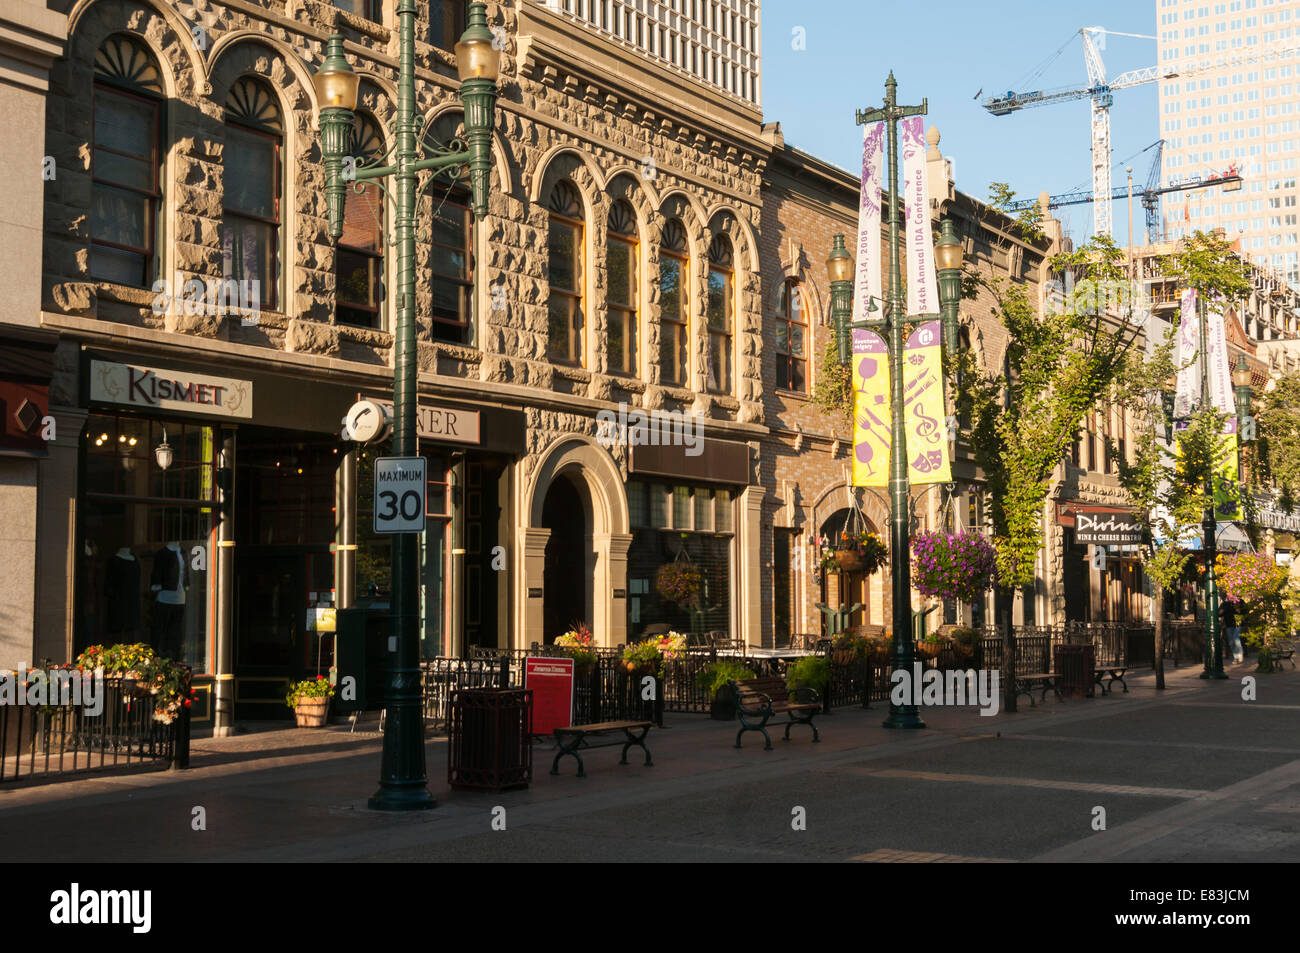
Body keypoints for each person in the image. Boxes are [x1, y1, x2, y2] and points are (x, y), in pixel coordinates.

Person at [1220, 598, 1244, 664]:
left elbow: (1243, 611)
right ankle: (1236, 658)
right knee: (1231, 642)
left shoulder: (1239, 601)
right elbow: (1220, 613)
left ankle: (1240, 654)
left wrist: (1239, 610)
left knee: (1236, 638)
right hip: (1228, 625)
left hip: (1238, 624)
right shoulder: (1224, 604)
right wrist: (1221, 611)